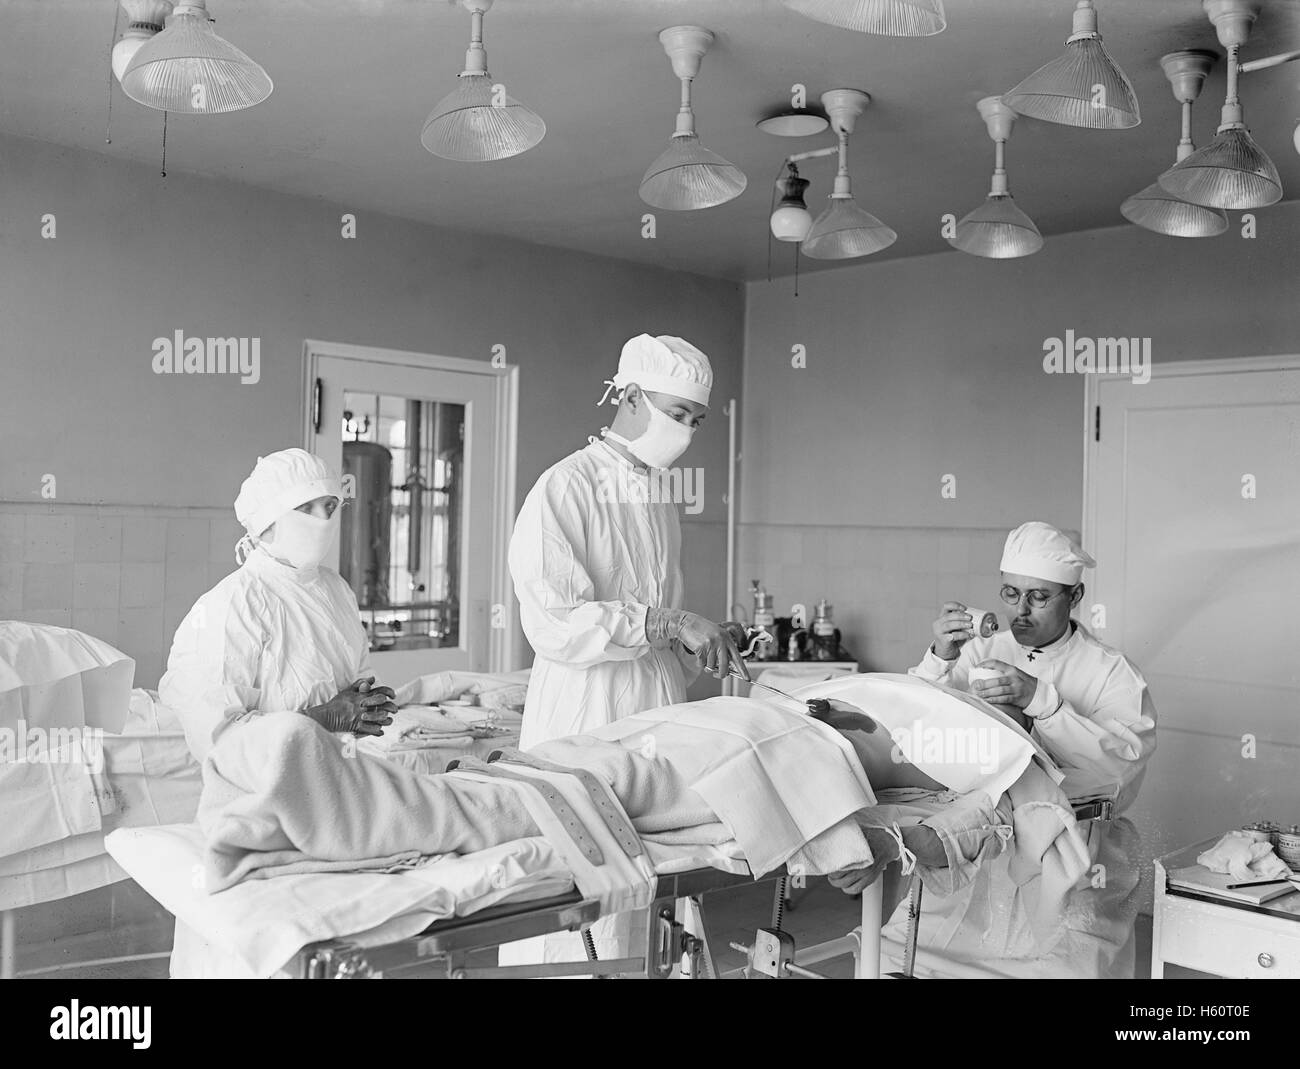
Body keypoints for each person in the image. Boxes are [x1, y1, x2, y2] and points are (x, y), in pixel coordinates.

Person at [875, 520, 1157, 978]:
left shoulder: (1111, 672)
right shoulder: (979, 650)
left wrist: (1043, 703)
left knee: (1058, 966)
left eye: (1039, 597)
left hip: (1072, 853)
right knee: (914, 958)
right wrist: (939, 660)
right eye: (1010, 594)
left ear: (1076, 596)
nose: (1021, 611)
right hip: (982, 847)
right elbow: (911, 726)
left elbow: (1120, 763)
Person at [508, 333, 748, 750]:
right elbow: (555, 623)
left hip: (659, 705)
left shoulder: (659, 496)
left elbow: (653, 631)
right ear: (633, 396)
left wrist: (697, 643)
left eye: (696, 421)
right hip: (588, 711)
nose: (687, 433)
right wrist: (670, 622)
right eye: (678, 414)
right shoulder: (566, 486)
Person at [160, 449, 398, 763]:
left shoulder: (336, 589)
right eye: (305, 508)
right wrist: (322, 718)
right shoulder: (234, 603)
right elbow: (217, 741)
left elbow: (358, 673)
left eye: (329, 506)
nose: (322, 520)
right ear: (265, 522)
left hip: (336, 775)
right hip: (264, 796)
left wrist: (368, 701)